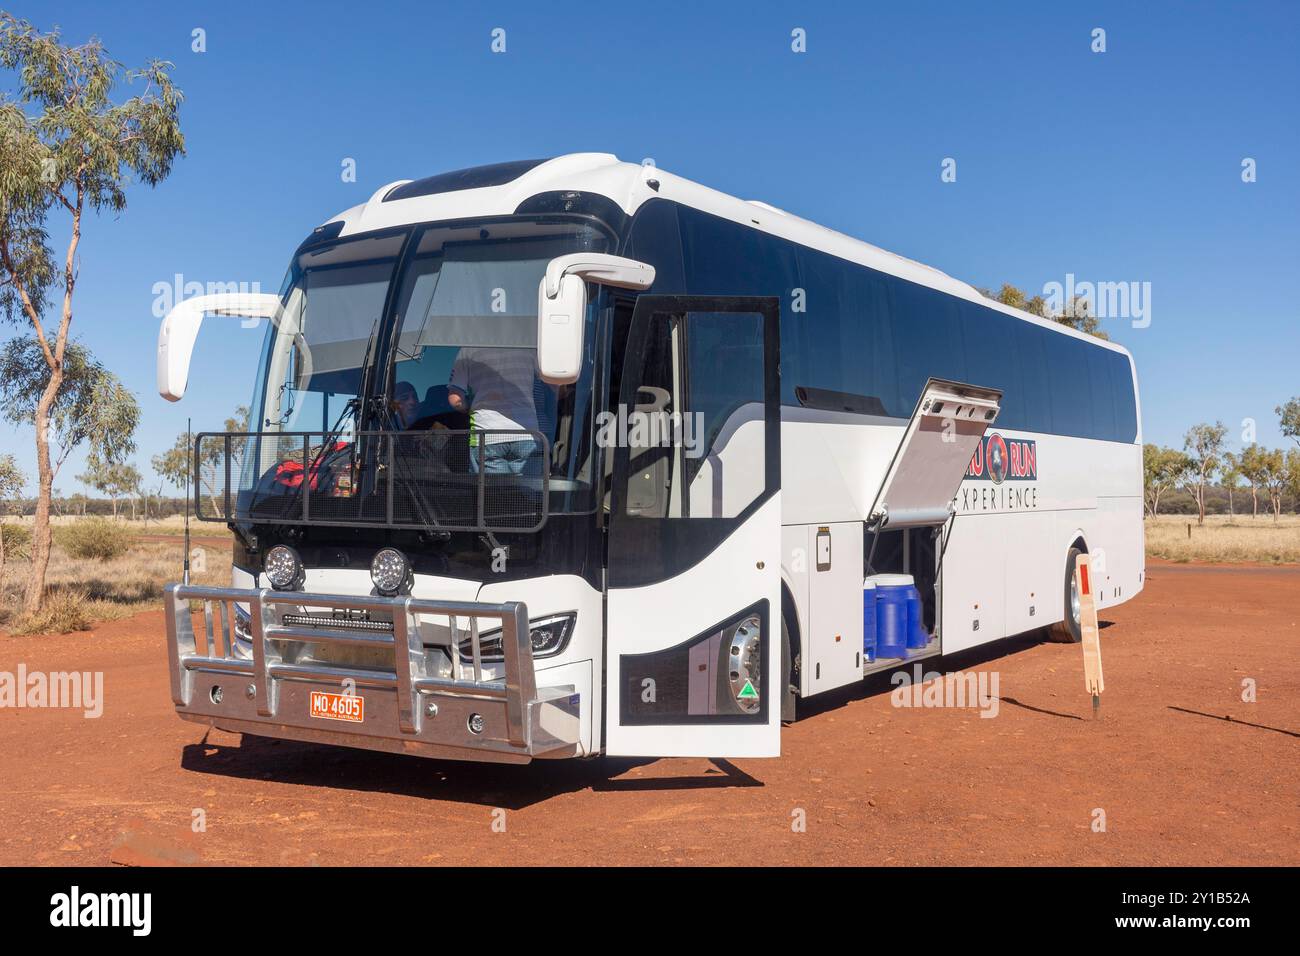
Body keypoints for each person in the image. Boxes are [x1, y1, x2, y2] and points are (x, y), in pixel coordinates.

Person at [447, 346, 542, 475]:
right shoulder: (529, 347)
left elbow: (455, 400)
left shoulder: (468, 349)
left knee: (493, 493)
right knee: (527, 491)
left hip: (487, 434)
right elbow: (553, 383)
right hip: (527, 433)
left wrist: (471, 407)